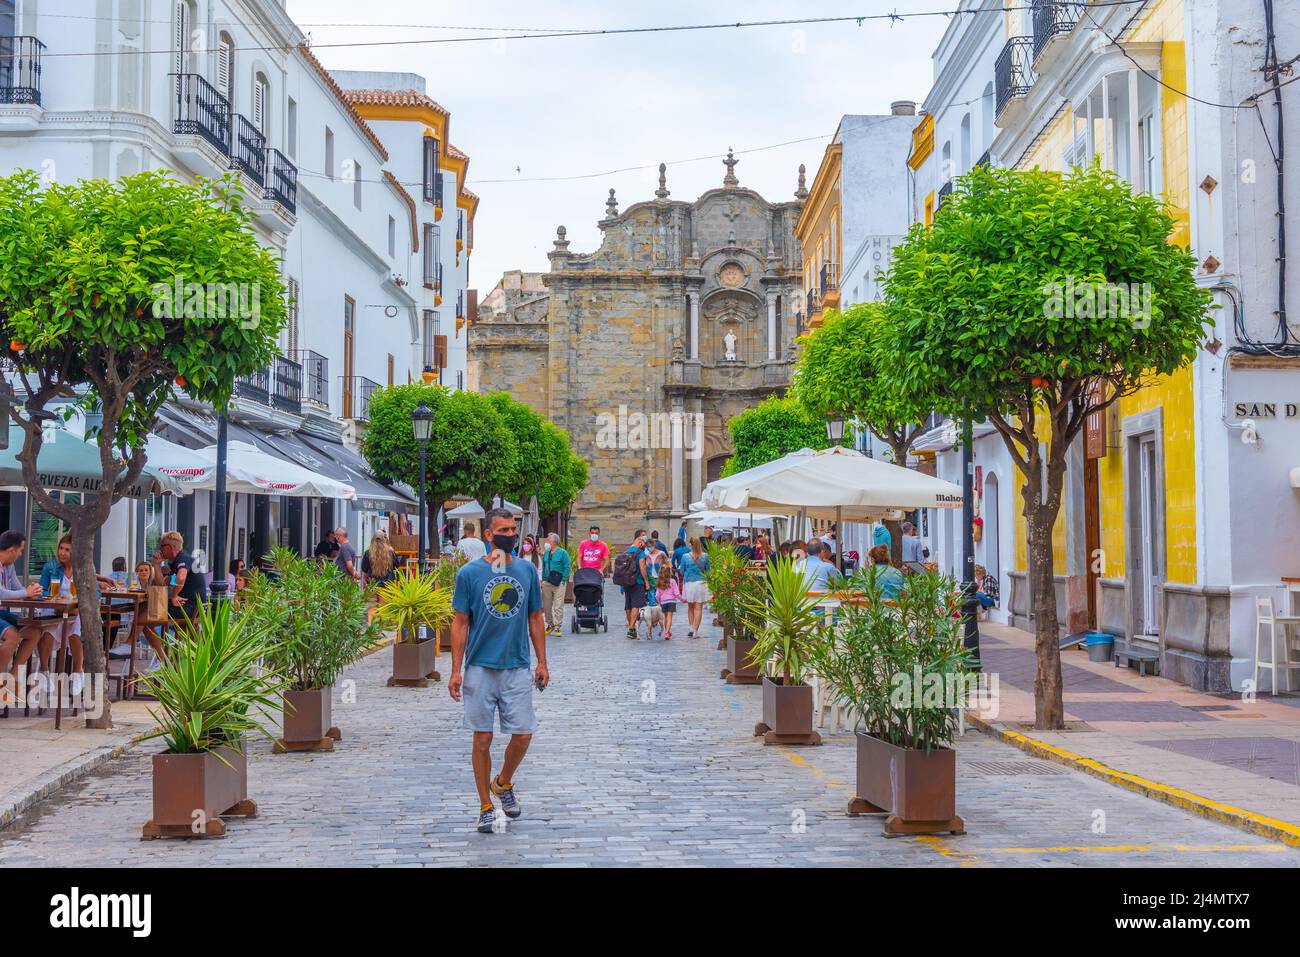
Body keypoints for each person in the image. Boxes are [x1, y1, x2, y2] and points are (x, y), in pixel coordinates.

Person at [448, 507, 547, 835]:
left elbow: (535, 617)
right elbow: (460, 622)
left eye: (513, 528)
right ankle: (485, 806)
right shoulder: (469, 574)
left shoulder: (526, 571)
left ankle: (502, 782)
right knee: (482, 738)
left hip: (516, 665)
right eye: (503, 529)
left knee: (523, 734)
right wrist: (455, 670)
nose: (510, 534)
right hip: (479, 666)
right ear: (488, 535)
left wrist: (542, 662)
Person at [31, 534, 115, 698]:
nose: (62, 553)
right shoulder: (51, 567)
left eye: (67, 550)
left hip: (74, 611)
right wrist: (52, 596)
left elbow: (96, 591)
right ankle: (45, 670)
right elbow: (41, 589)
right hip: (55, 609)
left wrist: (81, 598)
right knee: (48, 628)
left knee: (77, 626)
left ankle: (78, 671)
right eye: (61, 548)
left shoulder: (83, 568)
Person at [0, 531, 48, 705]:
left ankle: (12, 677)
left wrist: (31, 593)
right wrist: (24, 593)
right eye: (20, 550)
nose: (20, 554)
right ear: (12, 549)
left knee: (35, 630)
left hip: (2, 612)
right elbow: (2, 593)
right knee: (12, 635)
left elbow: (16, 588)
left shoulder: (8, 566)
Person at [151, 530, 208, 623]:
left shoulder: (183, 558)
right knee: (147, 611)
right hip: (190, 607)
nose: (160, 549)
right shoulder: (176, 563)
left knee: (146, 611)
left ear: (171, 547)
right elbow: (162, 584)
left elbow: (181, 577)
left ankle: (132, 638)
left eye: (162, 546)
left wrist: (174, 596)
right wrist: (157, 565)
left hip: (191, 607)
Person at [620, 534, 651, 640]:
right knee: (635, 605)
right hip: (637, 583)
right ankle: (631, 628)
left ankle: (631, 628)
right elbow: (642, 568)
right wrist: (646, 582)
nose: (644, 546)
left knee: (628, 605)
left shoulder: (626, 552)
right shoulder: (641, 553)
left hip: (626, 582)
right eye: (644, 544)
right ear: (640, 542)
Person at [679, 537, 711, 639]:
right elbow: (708, 571)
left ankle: (691, 628)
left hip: (689, 584)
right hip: (701, 583)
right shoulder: (705, 556)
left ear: (691, 545)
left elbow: (682, 571)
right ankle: (695, 632)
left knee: (690, 607)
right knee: (698, 608)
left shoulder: (685, 556)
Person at [540, 533, 570, 637]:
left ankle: (557, 626)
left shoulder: (563, 553)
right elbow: (544, 567)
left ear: (553, 542)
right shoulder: (547, 553)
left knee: (558, 605)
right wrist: (542, 580)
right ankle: (550, 624)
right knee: (547, 605)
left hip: (559, 583)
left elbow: (567, 567)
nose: (546, 543)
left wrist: (564, 580)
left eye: (548, 541)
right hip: (547, 582)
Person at [654, 565, 683, 640]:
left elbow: (657, 595)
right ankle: (667, 632)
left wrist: (659, 602)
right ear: (669, 572)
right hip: (671, 601)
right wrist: (682, 600)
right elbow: (676, 593)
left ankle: (667, 631)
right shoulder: (672, 581)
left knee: (665, 617)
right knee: (670, 617)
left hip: (663, 602)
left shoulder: (659, 582)